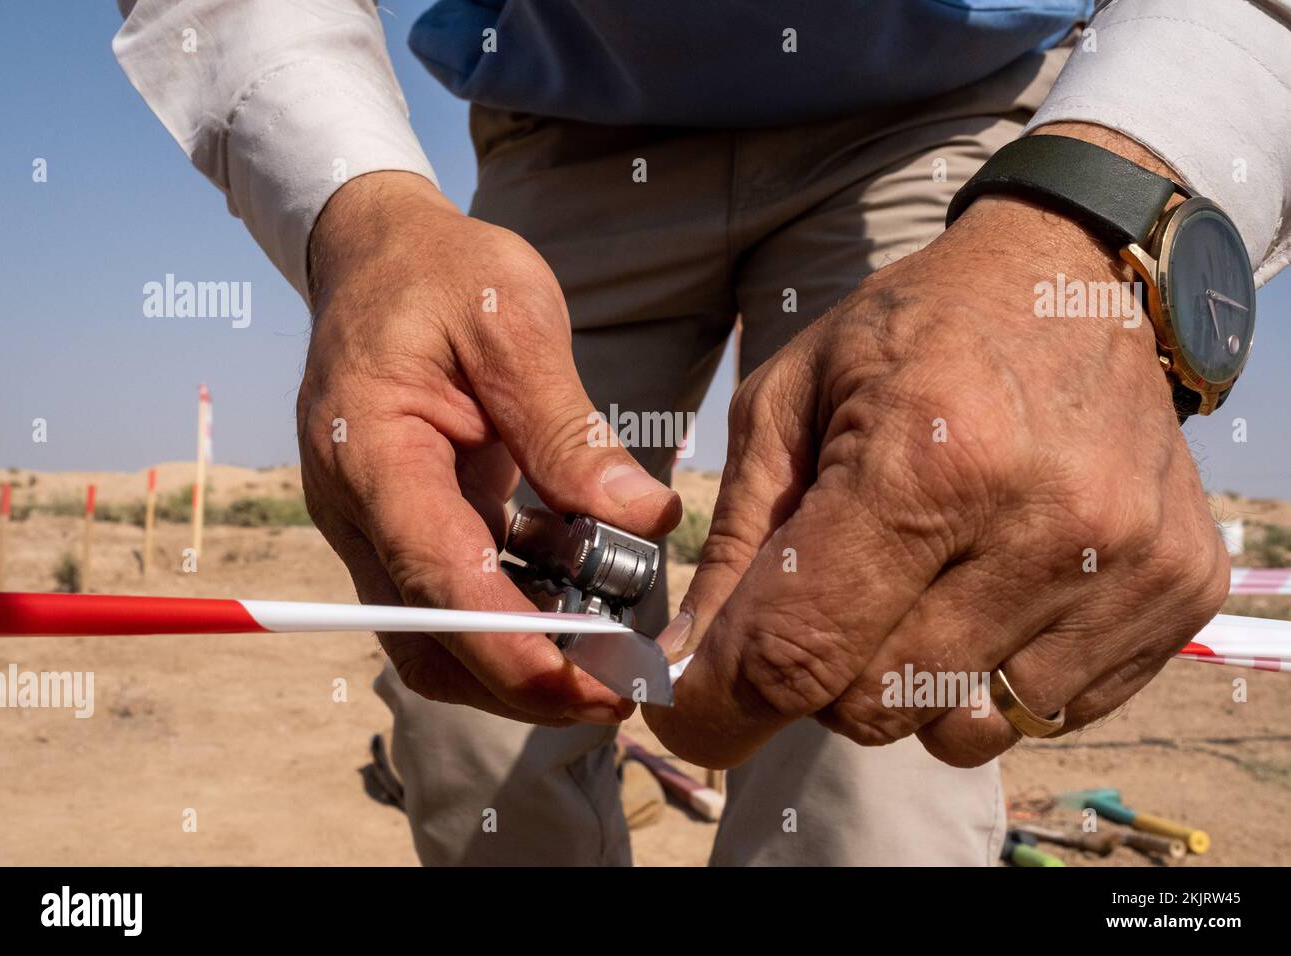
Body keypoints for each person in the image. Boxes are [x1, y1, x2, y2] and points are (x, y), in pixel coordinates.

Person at [113, 0, 1291, 865]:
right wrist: (355, 210)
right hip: (561, 127)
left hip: (944, 119)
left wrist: (1102, 215)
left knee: (865, 732)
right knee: (469, 698)